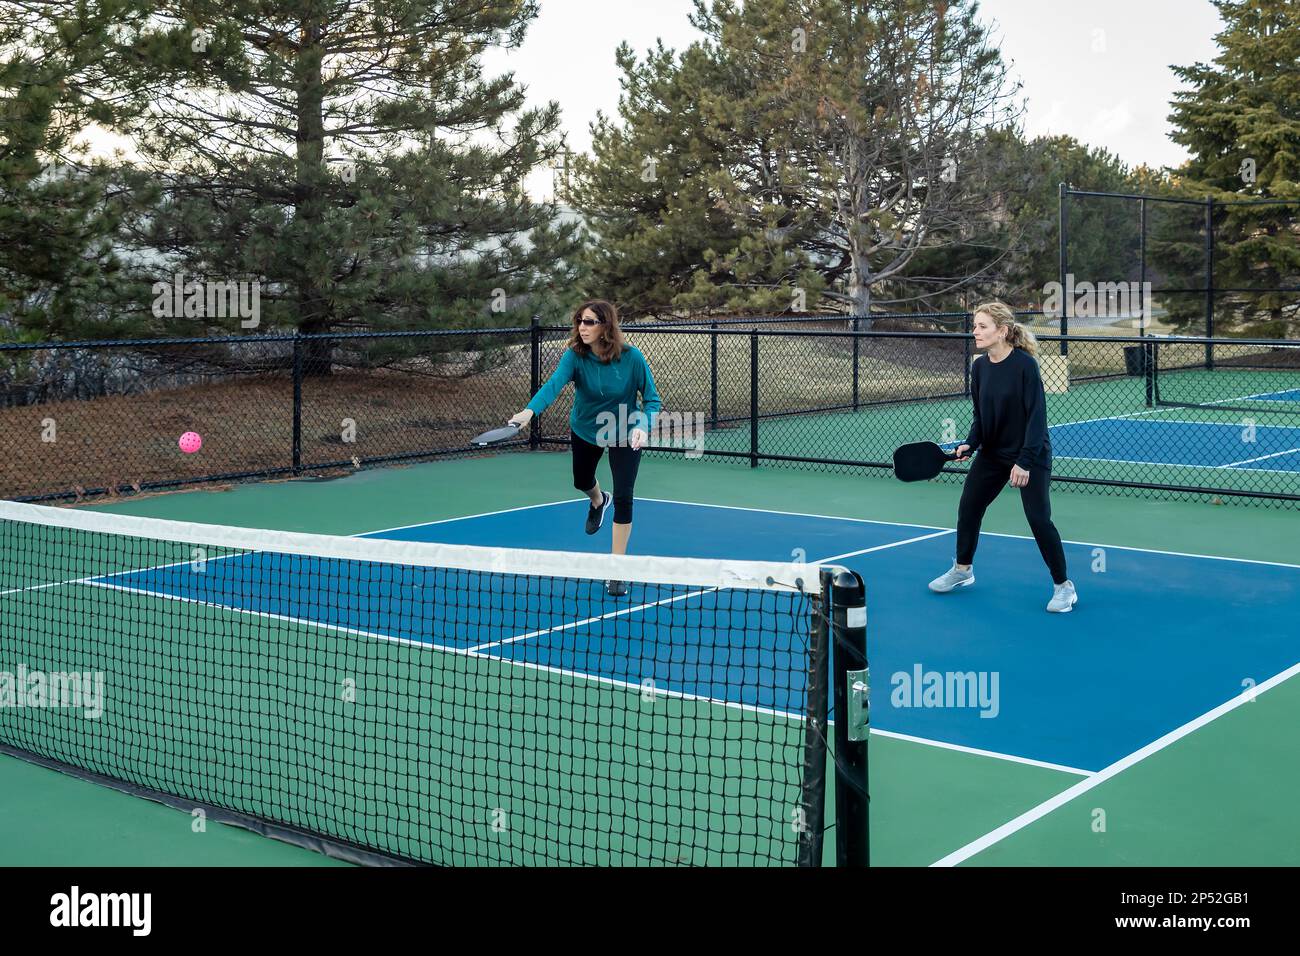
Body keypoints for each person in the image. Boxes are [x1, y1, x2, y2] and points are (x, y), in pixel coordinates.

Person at [928, 302, 1077, 612]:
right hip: (993, 454)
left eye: (982, 326)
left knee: (1038, 518)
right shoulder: (979, 366)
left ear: (1003, 331)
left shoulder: (1024, 365)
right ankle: (962, 570)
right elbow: (981, 416)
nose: (975, 332)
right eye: (974, 326)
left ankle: (1064, 586)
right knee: (969, 507)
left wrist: (1024, 461)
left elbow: (1037, 419)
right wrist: (969, 444)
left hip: (1030, 453)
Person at [510, 300, 662, 597]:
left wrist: (643, 425)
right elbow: (553, 385)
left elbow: (652, 400)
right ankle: (596, 500)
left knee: (624, 498)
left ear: (606, 325)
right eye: (580, 320)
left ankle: (617, 570)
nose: (582, 326)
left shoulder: (632, 358)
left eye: (590, 321)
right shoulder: (575, 356)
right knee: (581, 480)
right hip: (586, 428)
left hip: (625, 433)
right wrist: (528, 412)